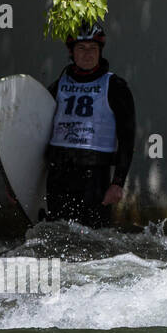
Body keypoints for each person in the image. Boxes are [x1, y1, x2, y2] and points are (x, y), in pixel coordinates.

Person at [44, 23, 136, 227]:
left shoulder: (115, 87)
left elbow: (127, 137)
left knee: (93, 239)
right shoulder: (58, 86)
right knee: (58, 234)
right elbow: (35, 133)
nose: (87, 54)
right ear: (72, 53)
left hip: (94, 177)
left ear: (100, 51)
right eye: (81, 48)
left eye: (93, 49)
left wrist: (117, 183)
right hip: (59, 174)